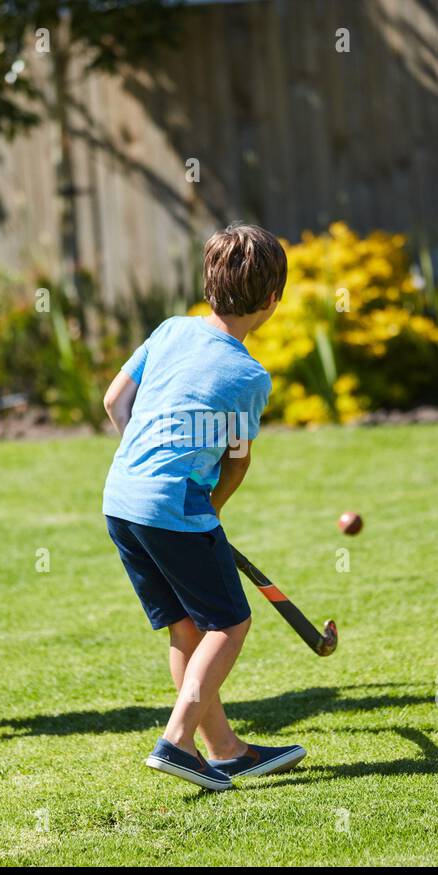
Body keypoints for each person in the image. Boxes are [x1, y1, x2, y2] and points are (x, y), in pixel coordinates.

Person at [101, 224, 306, 790]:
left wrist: (145, 466)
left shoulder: (170, 331)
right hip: (175, 506)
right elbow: (237, 462)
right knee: (231, 622)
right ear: (271, 300)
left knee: (185, 627)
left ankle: (225, 750)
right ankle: (177, 740)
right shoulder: (248, 376)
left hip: (121, 499)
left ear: (208, 284)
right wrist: (207, 505)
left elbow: (114, 399)